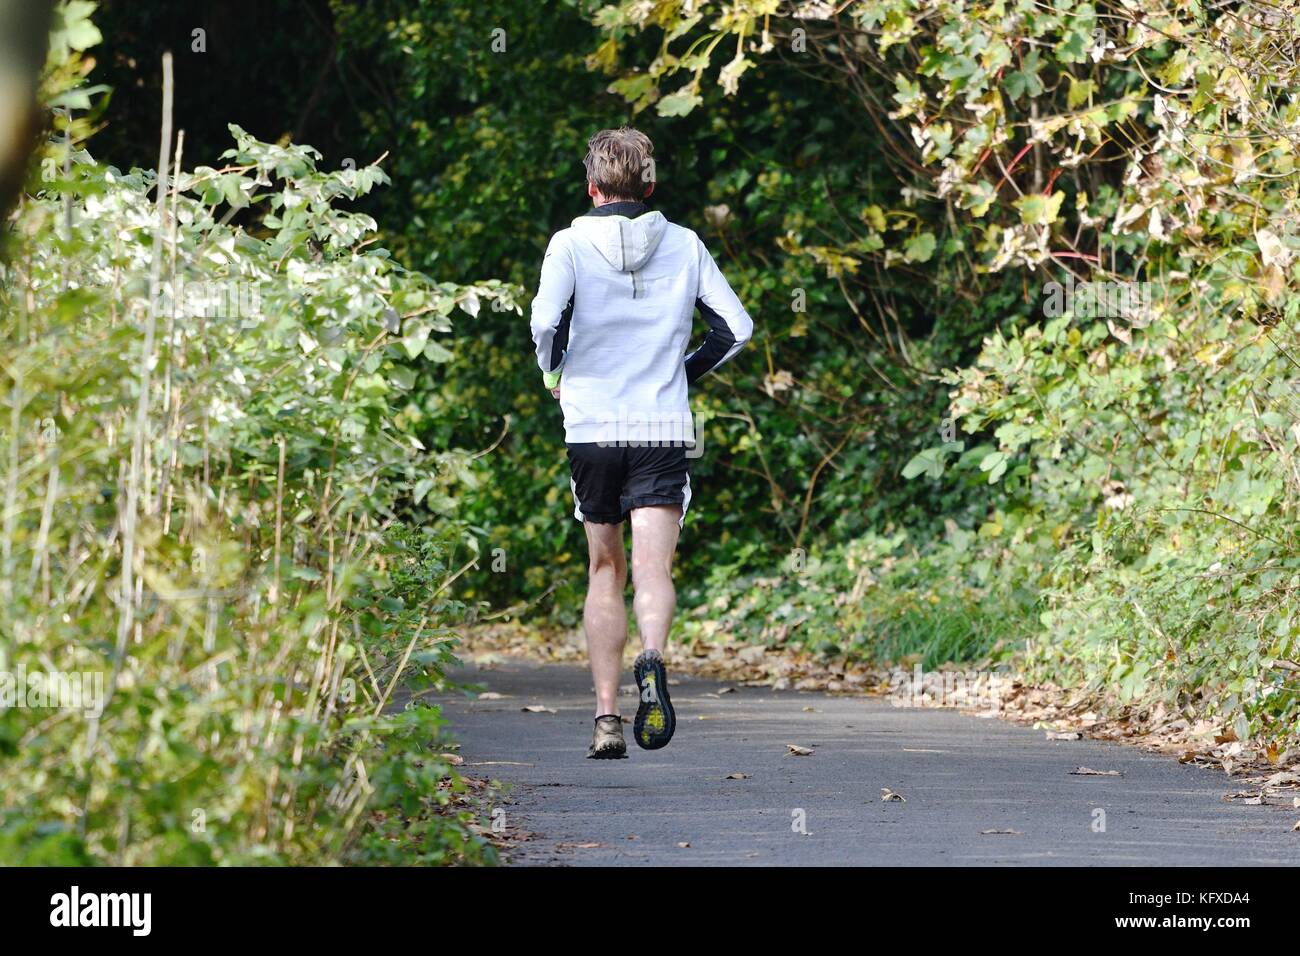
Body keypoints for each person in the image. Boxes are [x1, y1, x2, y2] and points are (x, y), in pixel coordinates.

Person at [529, 127, 753, 758]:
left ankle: (606, 722)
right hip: (660, 427)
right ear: (650, 187)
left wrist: (556, 372)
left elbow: (546, 320)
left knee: (606, 569)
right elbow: (736, 329)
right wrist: (678, 373)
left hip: (594, 427)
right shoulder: (684, 243)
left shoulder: (569, 243)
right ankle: (652, 660)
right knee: (654, 568)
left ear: (592, 186)